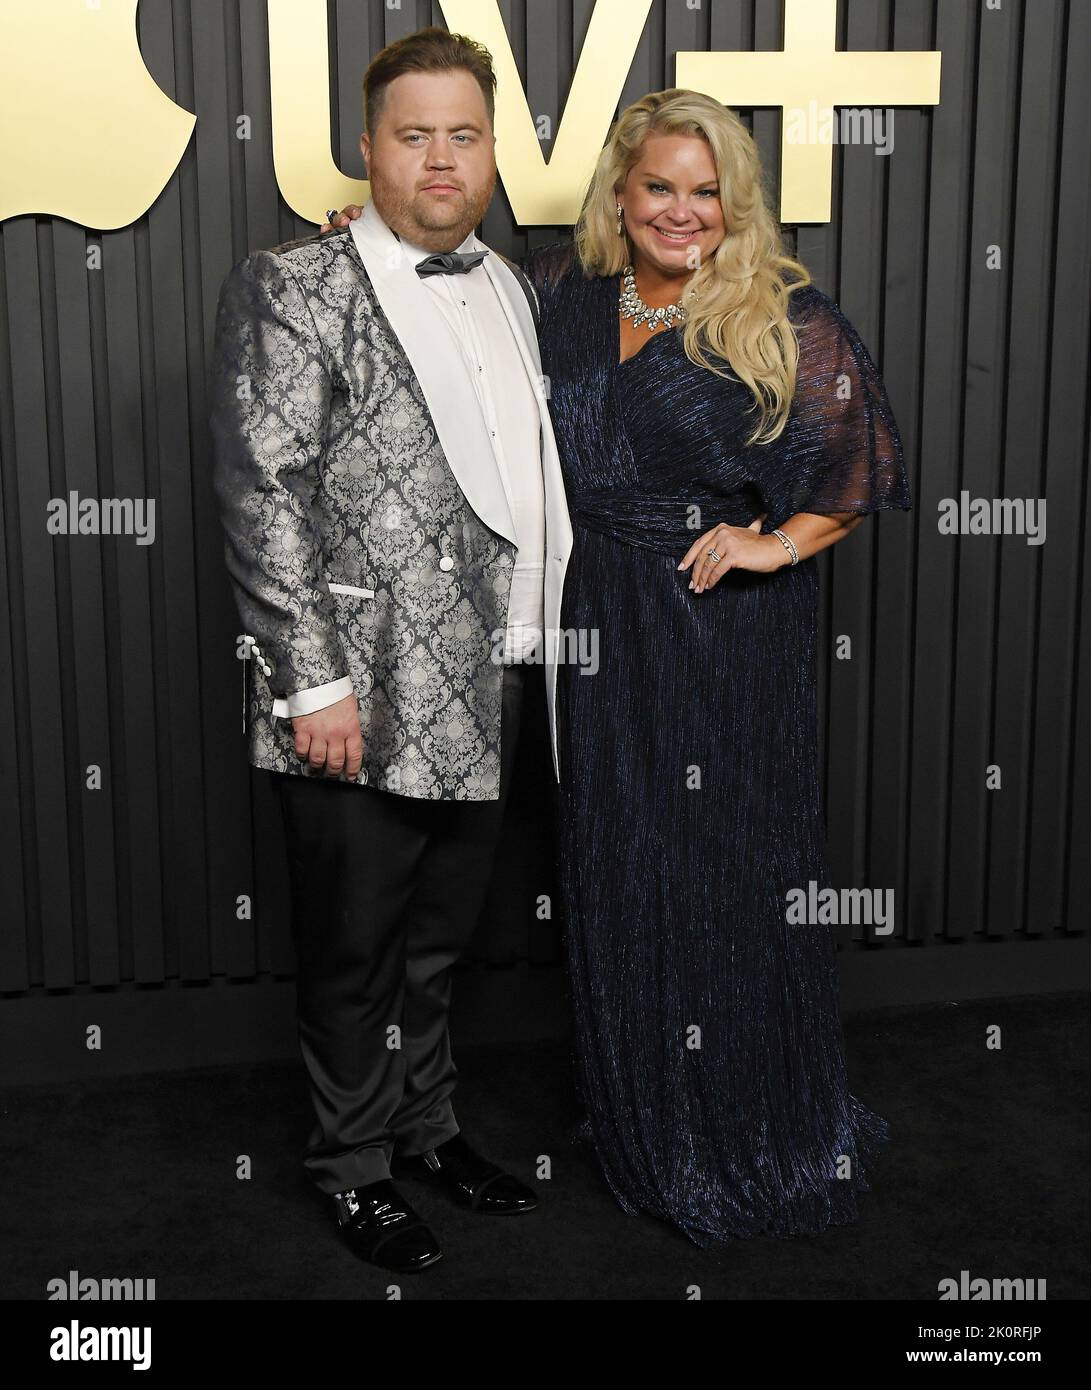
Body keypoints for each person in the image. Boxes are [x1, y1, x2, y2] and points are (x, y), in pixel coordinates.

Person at [208, 27, 572, 1274]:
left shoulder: (511, 283)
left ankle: (428, 1129)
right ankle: (352, 1165)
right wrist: (313, 680)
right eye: (412, 134)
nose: (439, 157)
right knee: (356, 948)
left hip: (488, 675)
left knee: (436, 942)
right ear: (367, 149)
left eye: (462, 134)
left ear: (488, 153)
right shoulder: (294, 284)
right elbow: (262, 488)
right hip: (350, 692)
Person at [522, 89, 911, 1245]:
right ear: (620, 193)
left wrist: (772, 539)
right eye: (658, 187)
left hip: (723, 632)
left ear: (733, 204)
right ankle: (646, 1108)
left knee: (726, 870)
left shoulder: (779, 312)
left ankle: (747, 1115)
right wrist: (362, 243)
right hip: (595, 622)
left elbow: (854, 467)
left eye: (705, 192)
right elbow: (446, 338)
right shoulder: (561, 296)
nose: (679, 212)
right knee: (615, 861)